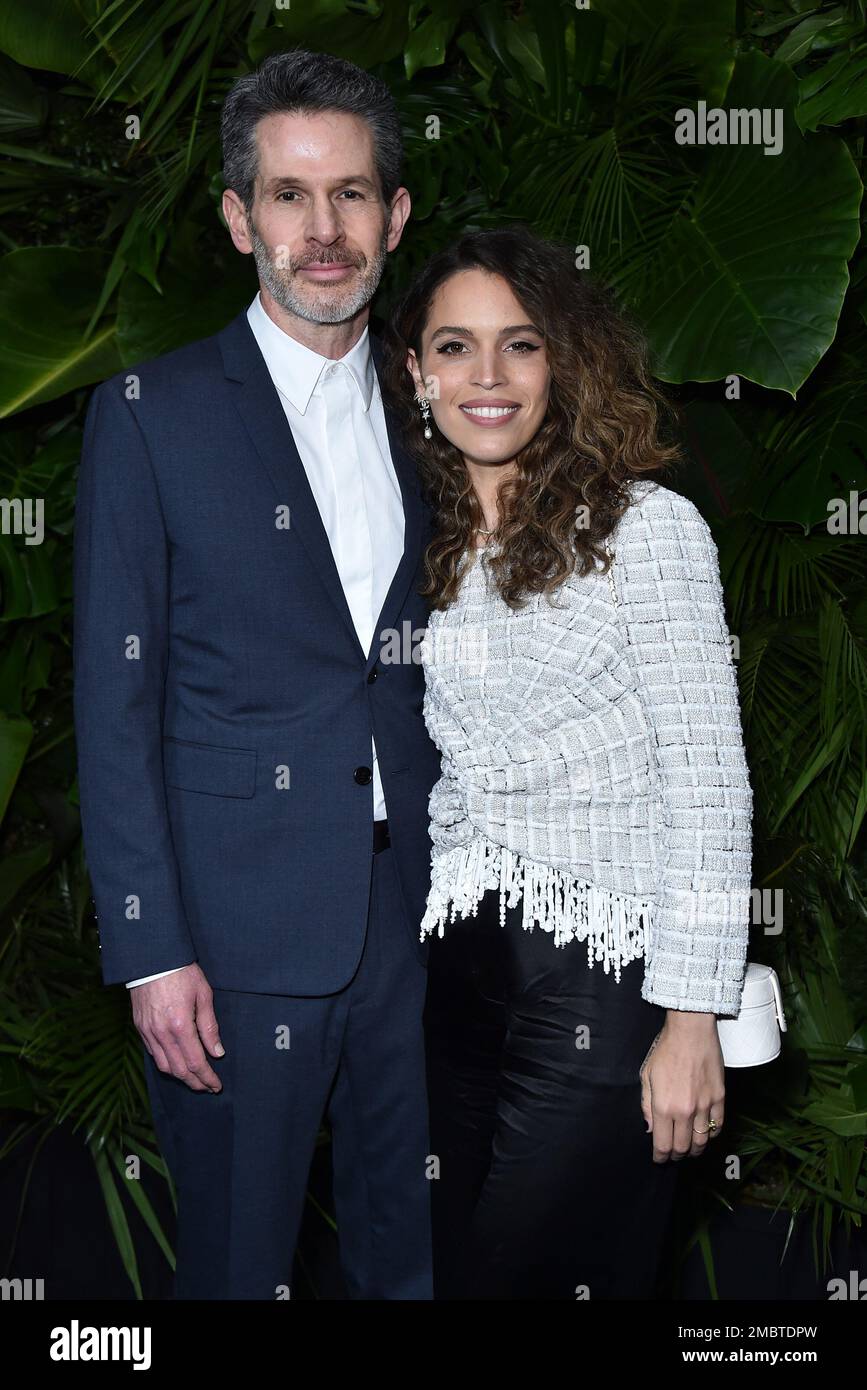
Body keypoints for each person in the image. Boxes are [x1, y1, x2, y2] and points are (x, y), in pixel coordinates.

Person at [72, 49, 442, 1300]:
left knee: (412, 1259)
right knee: (236, 1270)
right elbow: (112, 704)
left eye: (350, 194)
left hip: (425, 914)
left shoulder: (445, 400)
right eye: (289, 196)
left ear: (395, 216)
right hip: (231, 940)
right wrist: (149, 949)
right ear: (240, 220)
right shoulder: (149, 414)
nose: (322, 230)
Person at [381, 226, 754, 1300]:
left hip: (601, 985)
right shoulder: (430, 549)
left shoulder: (648, 530)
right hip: (456, 982)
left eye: (521, 345)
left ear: (564, 360)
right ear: (417, 372)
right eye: (454, 347)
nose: (486, 378)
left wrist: (692, 1020)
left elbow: (711, 784)